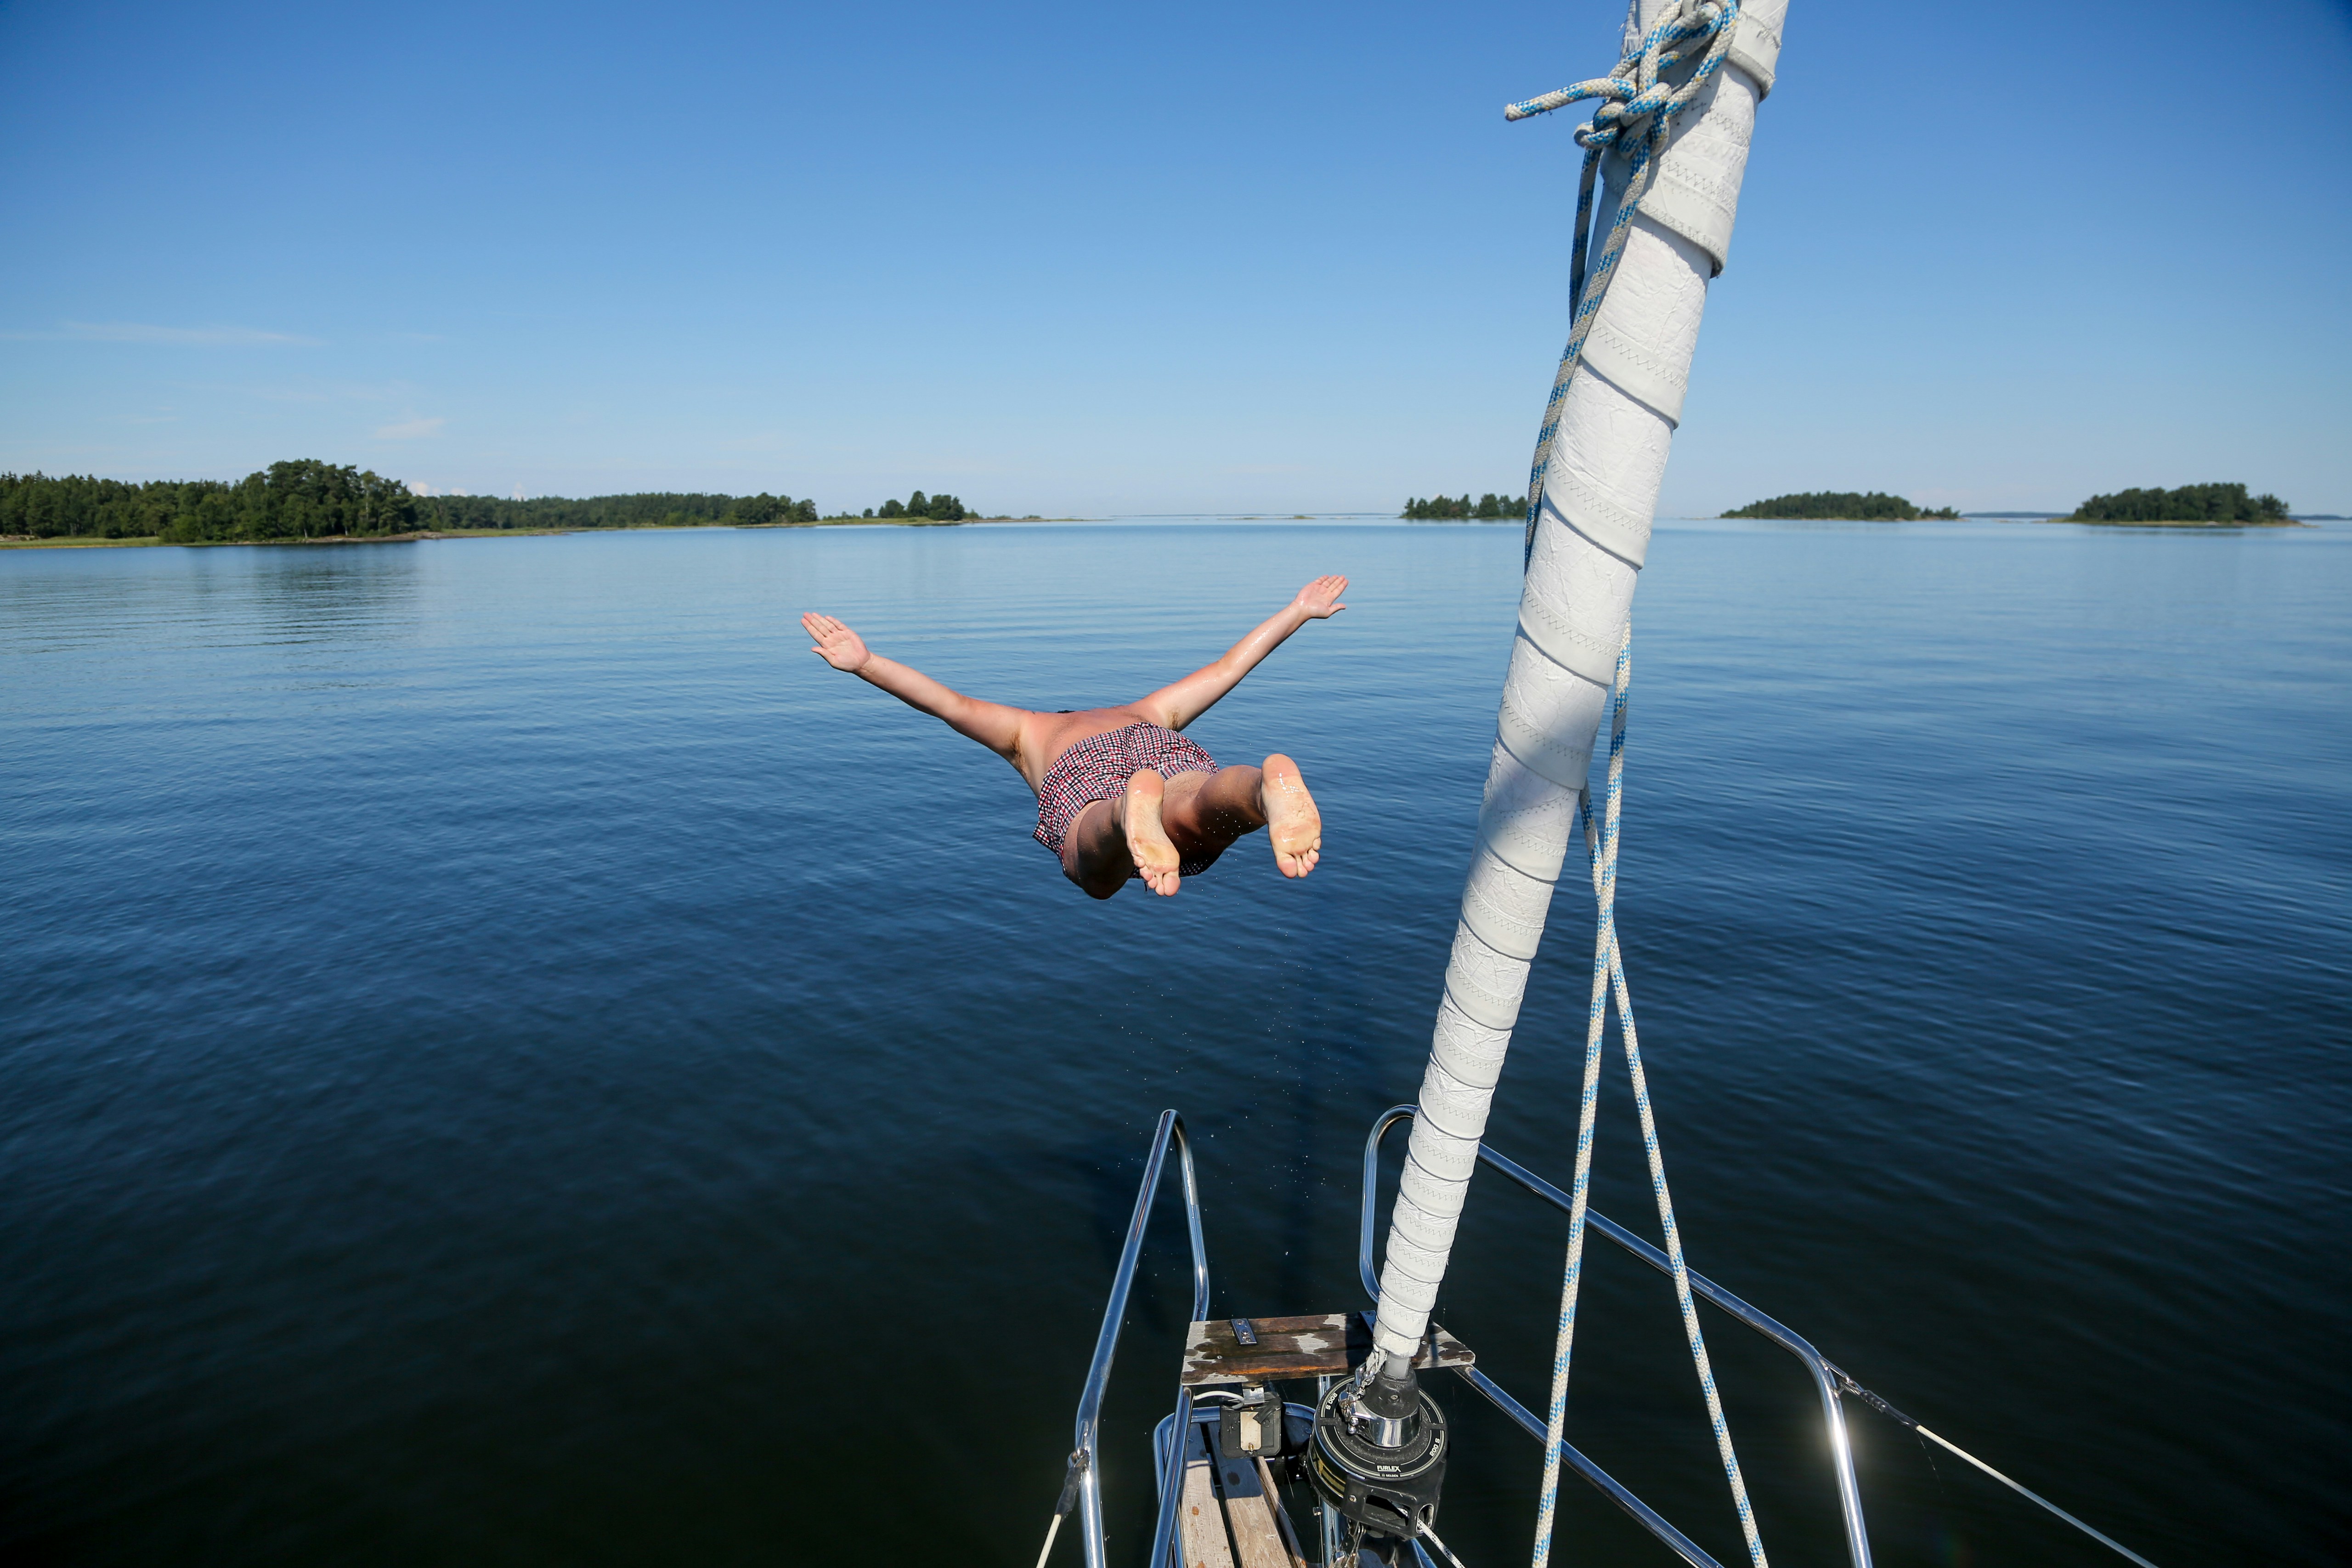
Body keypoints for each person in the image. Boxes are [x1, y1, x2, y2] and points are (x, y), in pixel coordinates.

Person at [800, 575, 1348, 898]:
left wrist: (867, 663)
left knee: (1094, 868)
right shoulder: (1148, 711)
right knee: (1202, 807)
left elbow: (948, 704)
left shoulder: (1027, 731)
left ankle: (1122, 812)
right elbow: (1228, 667)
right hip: (1159, 752)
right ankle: (1259, 788)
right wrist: (1297, 611)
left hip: (1085, 775)